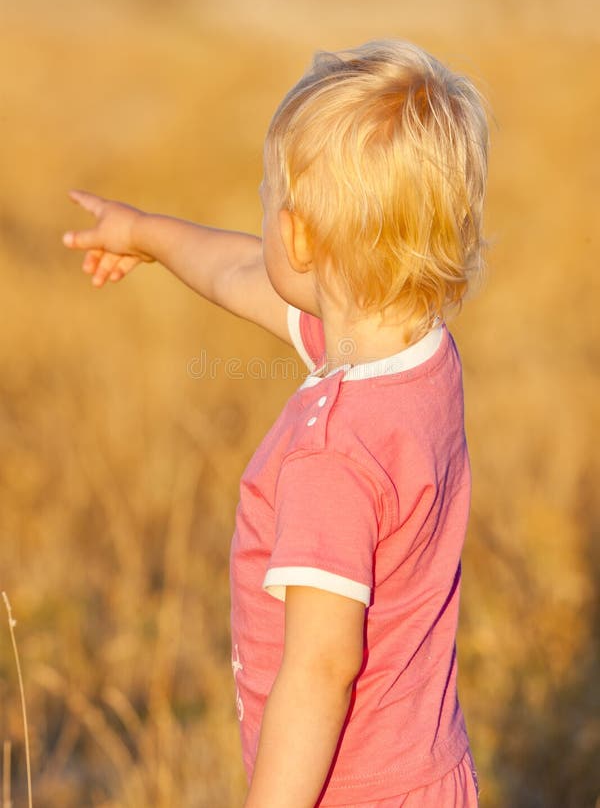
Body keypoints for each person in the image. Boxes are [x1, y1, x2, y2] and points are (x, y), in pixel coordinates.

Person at [63, 39, 488, 807]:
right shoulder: (421, 357)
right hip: (430, 774)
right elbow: (239, 278)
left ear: (296, 236)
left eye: (266, 197)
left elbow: (321, 670)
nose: (259, 220)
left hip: (351, 791)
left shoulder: (332, 455)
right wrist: (145, 234)